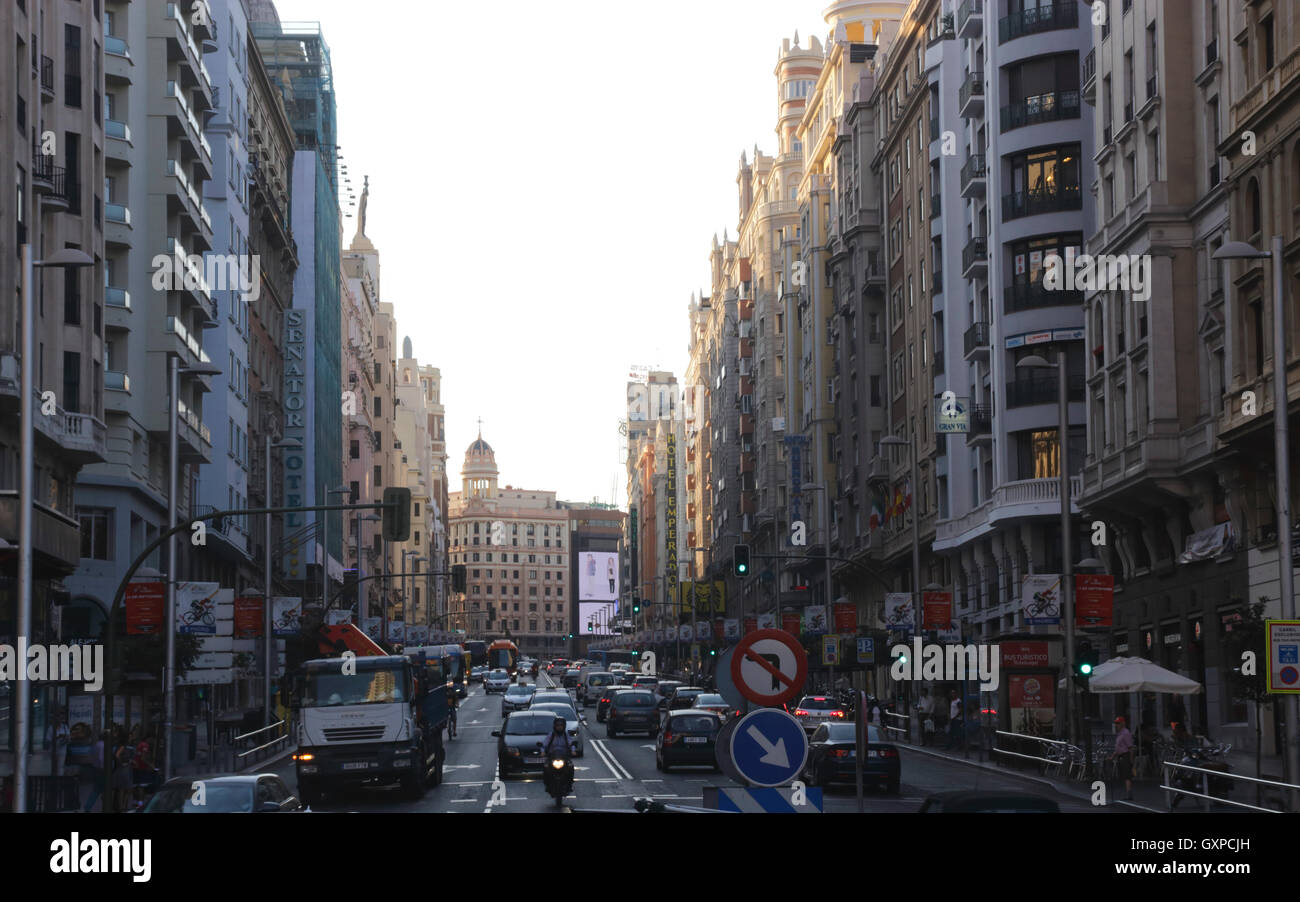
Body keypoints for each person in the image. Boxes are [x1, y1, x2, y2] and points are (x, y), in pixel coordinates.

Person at [1110, 715, 1135, 800]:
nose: (1117, 725)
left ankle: (1129, 794)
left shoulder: (1126, 733)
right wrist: (1112, 757)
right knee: (1124, 775)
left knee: (1127, 775)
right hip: (1121, 756)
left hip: (1126, 756)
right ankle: (1127, 792)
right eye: (1116, 723)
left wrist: (1131, 760)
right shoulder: (1119, 733)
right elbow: (1118, 748)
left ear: (1123, 723)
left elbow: (1130, 747)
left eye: (1118, 723)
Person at [82, 731, 106, 813]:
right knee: (102, 790)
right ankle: (104, 807)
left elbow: (91, 756)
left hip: (95, 768)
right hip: (101, 770)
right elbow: (101, 758)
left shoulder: (96, 745)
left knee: (96, 790)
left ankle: (88, 807)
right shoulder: (103, 745)